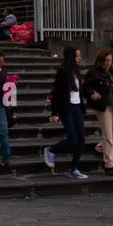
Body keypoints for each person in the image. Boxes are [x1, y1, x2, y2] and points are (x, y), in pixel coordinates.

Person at [42, 45, 88, 179]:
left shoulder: (77, 71)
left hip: (77, 107)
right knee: (72, 139)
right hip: (66, 108)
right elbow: (56, 94)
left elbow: (79, 91)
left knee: (81, 139)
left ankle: (74, 169)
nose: (80, 58)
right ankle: (51, 150)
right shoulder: (62, 72)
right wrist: (55, 113)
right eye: (78, 56)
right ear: (71, 57)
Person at [83, 48, 113, 177]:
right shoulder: (94, 73)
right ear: (101, 61)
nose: (108, 63)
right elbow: (86, 87)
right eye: (106, 60)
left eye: (110, 60)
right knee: (108, 134)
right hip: (103, 105)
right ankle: (109, 164)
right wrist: (92, 93)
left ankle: (100, 148)